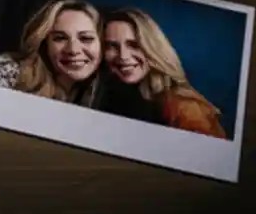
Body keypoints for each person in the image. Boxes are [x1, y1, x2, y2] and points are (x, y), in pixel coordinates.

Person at [98, 7, 228, 138]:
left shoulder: (184, 107)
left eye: (134, 45)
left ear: (152, 48)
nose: (123, 56)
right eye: (112, 46)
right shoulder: (109, 95)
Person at [0, 0, 102, 104]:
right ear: (44, 43)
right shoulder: (7, 72)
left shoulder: (97, 94)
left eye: (86, 38)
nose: (73, 49)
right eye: (60, 38)